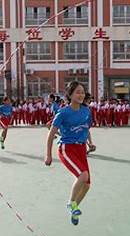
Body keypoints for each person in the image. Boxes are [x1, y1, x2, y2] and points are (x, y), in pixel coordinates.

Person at [45, 81, 95, 226]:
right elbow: (51, 133)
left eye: (82, 92)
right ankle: (71, 203)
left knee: (86, 184)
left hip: (81, 149)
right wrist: (48, 155)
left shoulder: (86, 111)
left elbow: (85, 129)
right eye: (78, 92)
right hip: (67, 149)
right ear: (70, 94)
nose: (81, 95)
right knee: (83, 175)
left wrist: (90, 143)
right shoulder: (63, 112)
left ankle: (75, 208)